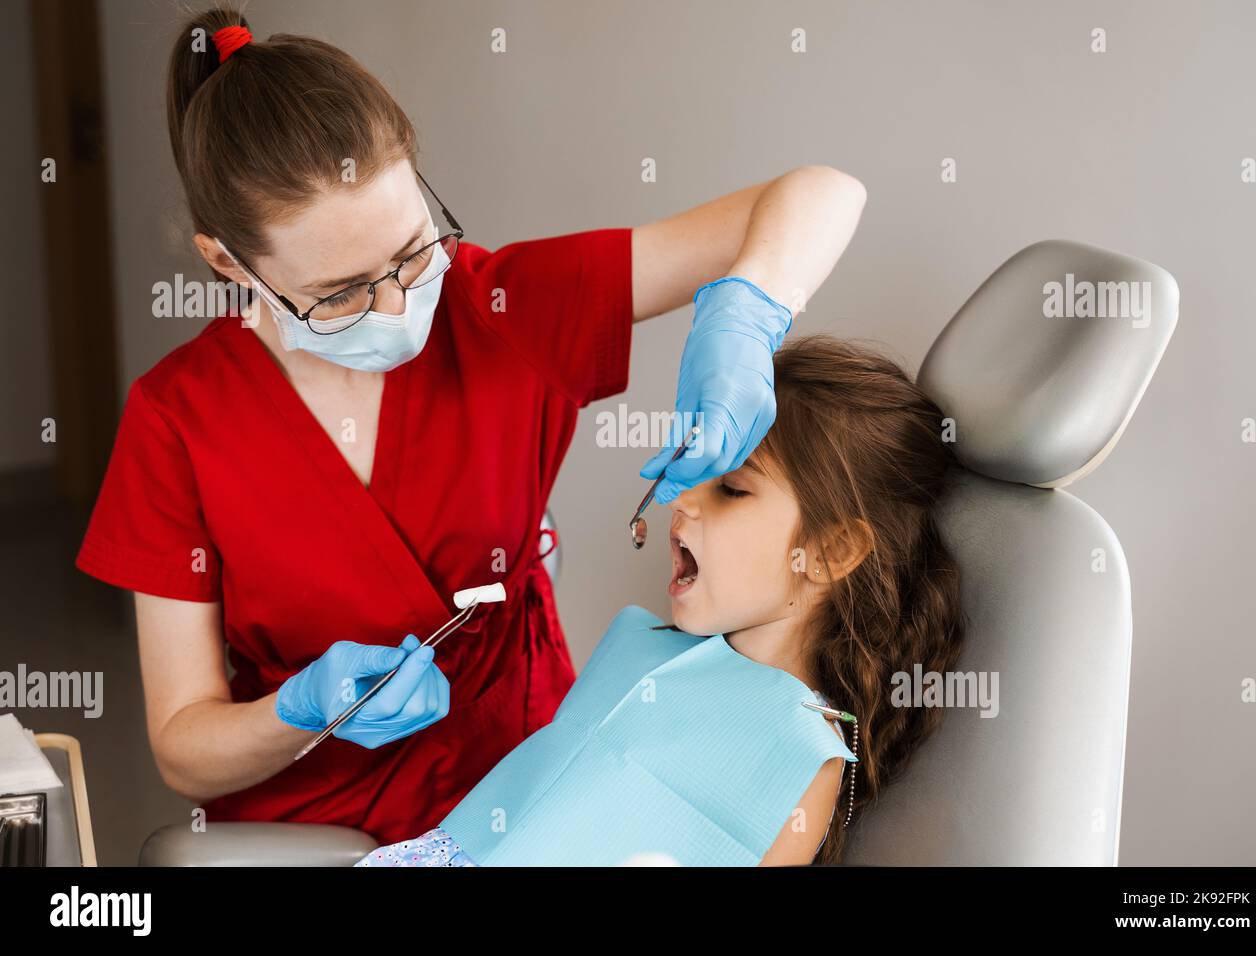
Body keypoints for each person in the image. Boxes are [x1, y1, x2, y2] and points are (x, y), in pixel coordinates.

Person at [74, 8, 866, 844]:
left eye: (413, 251)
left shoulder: (498, 307)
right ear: (231, 264)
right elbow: (184, 748)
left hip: (531, 795)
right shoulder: (176, 421)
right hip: (316, 833)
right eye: (341, 291)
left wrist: (748, 311)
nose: (398, 304)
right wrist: (299, 712)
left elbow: (823, 191)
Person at [356, 335, 967, 865]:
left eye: (731, 488)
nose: (684, 499)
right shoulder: (637, 647)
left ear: (833, 552)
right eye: (690, 468)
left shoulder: (800, 753)